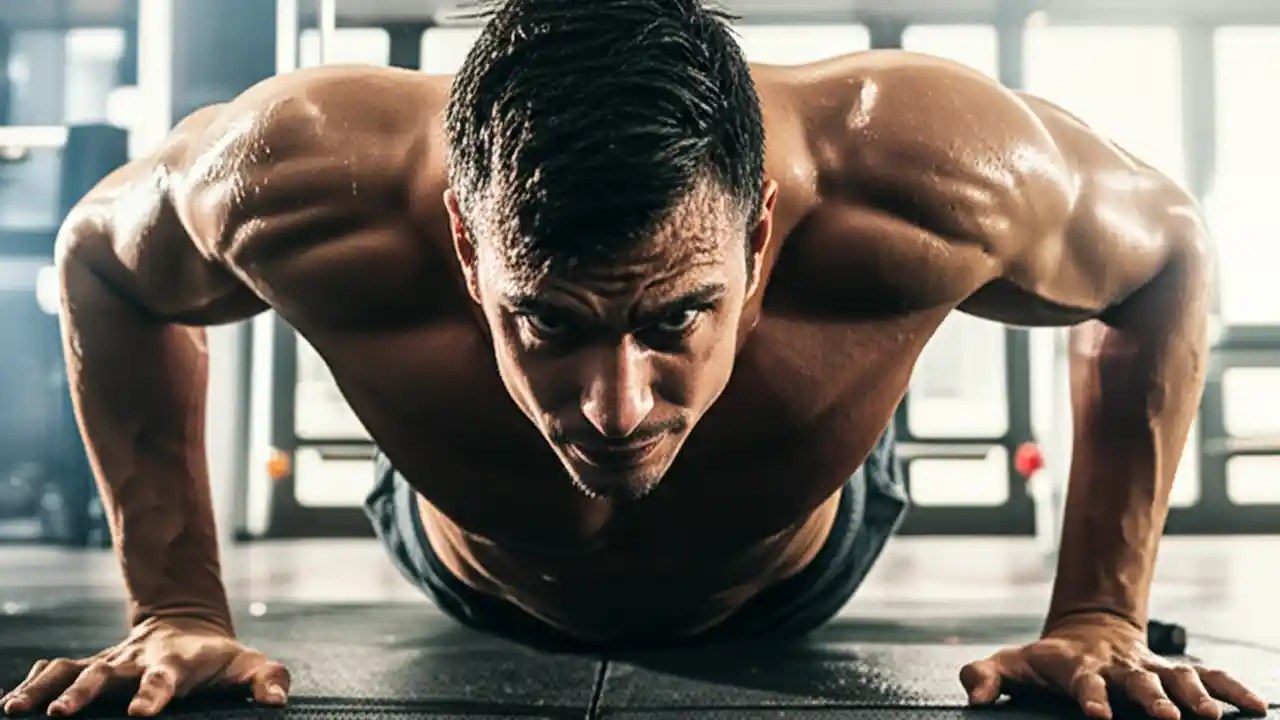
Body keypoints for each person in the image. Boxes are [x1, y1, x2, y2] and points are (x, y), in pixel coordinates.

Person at [1, 1, 1266, 718]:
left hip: (797, 559)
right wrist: (175, 609)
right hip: (464, 554)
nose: (613, 409)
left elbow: (1163, 255)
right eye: (546, 319)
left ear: (761, 230)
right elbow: (99, 262)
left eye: (674, 319)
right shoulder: (296, 180)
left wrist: (1097, 612)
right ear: (460, 237)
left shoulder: (926, 171)